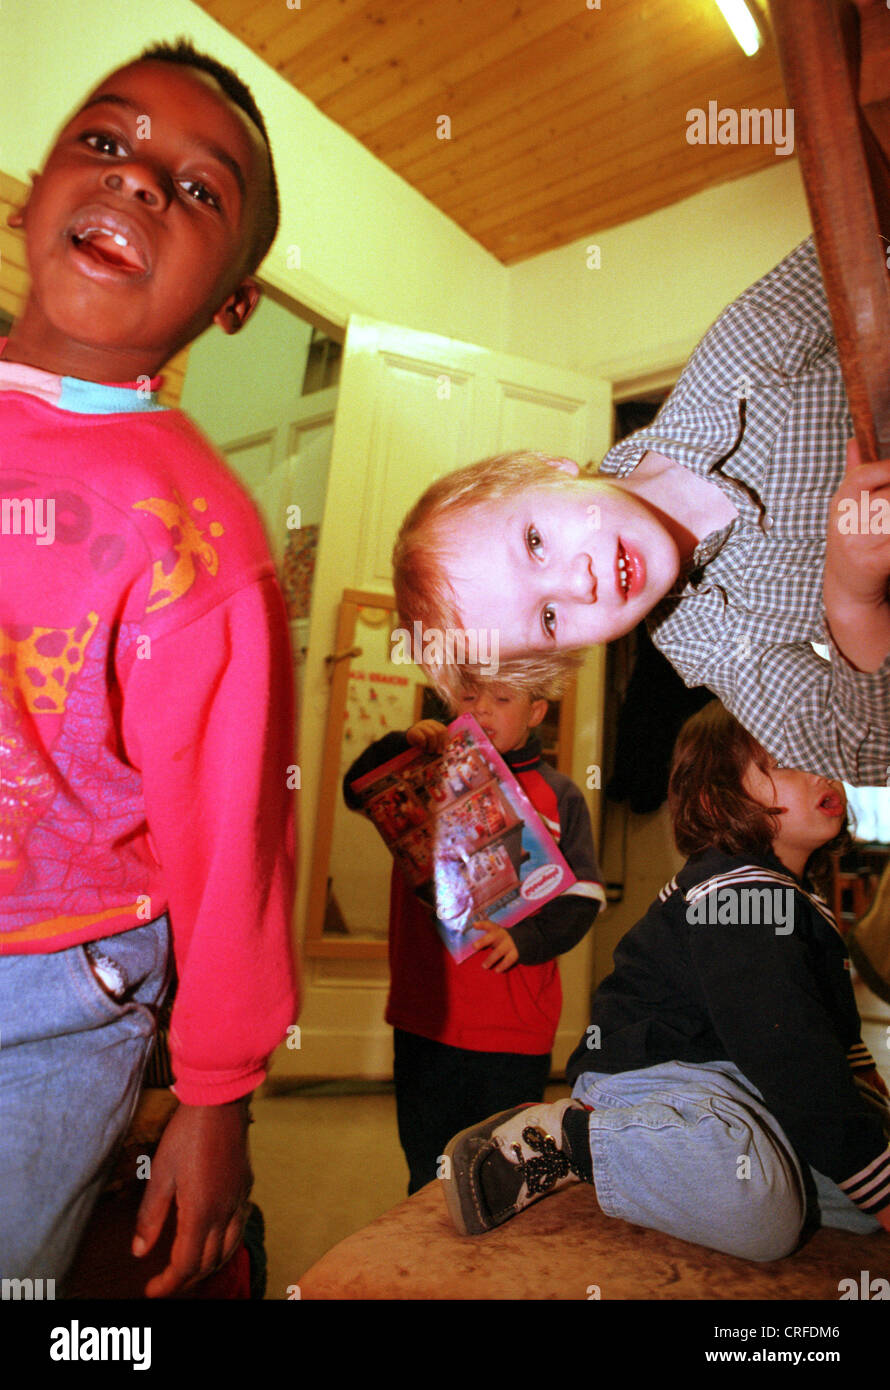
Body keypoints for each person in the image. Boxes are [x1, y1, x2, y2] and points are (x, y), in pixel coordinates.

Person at [0, 41, 297, 1295]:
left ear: (231, 299)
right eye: (108, 144)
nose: (136, 185)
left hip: (48, 1000)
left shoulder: (202, 536)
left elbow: (233, 843)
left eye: (198, 189)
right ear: (32, 193)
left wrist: (215, 1094)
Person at [391, 240, 890, 790]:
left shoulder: (735, 368)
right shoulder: (704, 639)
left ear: (548, 470)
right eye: (550, 618)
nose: (579, 582)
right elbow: (865, 752)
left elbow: (865, 239)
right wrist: (853, 603)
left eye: (535, 542)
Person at [441, 704, 890, 1258]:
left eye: (819, 757)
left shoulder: (795, 899)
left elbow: (829, 1037)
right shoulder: (737, 893)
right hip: (651, 1077)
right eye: (786, 763)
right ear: (716, 800)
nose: (819, 774)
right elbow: (788, 1049)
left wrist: (869, 1120)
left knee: (852, 1200)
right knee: (767, 1215)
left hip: (735, 1085)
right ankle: (568, 1137)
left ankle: (707, 1151)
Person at [343, 682, 604, 1193]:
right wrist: (403, 746)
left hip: (513, 1027)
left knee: (505, 1174)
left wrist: (526, 942)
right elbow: (359, 789)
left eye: (502, 699)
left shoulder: (561, 795)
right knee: (426, 1171)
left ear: (537, 712)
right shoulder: (424, 768)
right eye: (467, 697)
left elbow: (583, 899)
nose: (481, 709)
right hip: (426, 1018)